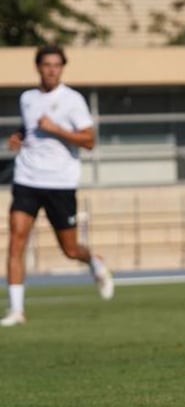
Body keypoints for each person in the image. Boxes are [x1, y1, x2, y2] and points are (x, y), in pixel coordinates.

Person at [3, 45, 114, 327]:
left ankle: (94, 260)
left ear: (62, 68)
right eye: (46, 64)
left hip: (60, 183)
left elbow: (89, 141)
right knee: (16, 241)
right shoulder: (27, 98)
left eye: (56, 65)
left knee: (70, 249)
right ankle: (17, 311)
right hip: (27, 178)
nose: (51, 69)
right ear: (38, 67)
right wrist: (17, 138)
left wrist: (57, 130)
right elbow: (28, 130)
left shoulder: (73, 100)